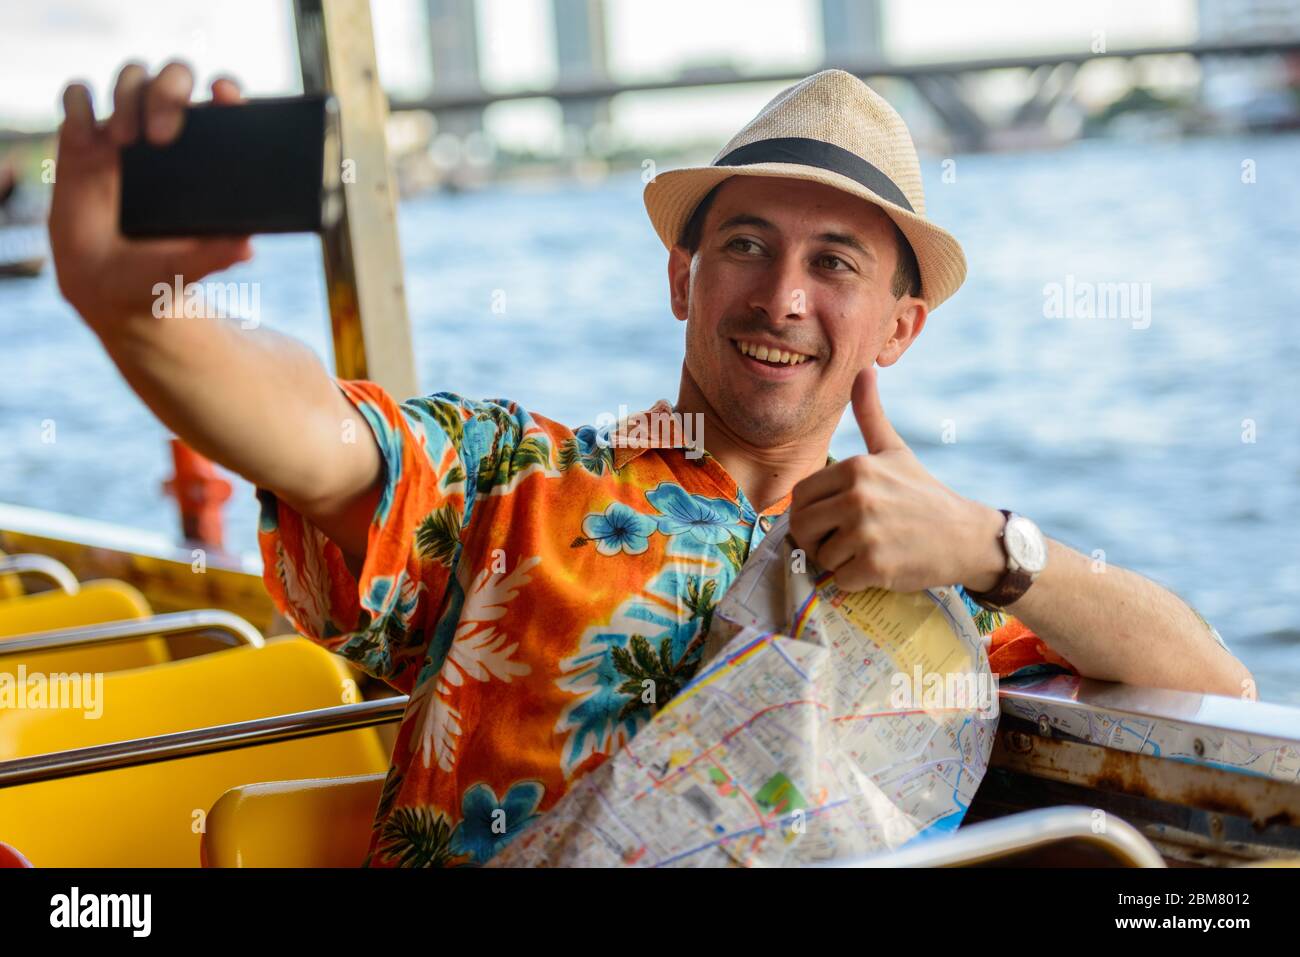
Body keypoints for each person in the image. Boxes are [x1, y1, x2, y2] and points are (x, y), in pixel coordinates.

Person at [50, 64, 1254, 867]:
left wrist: (996, 548)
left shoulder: (925, 585)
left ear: (897, 328)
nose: (781, 295)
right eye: (745, 244)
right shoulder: (513, 478)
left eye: (835, 262)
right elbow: (314, 436)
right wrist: (142, 317)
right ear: (684, 279)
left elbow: (1213, 688)